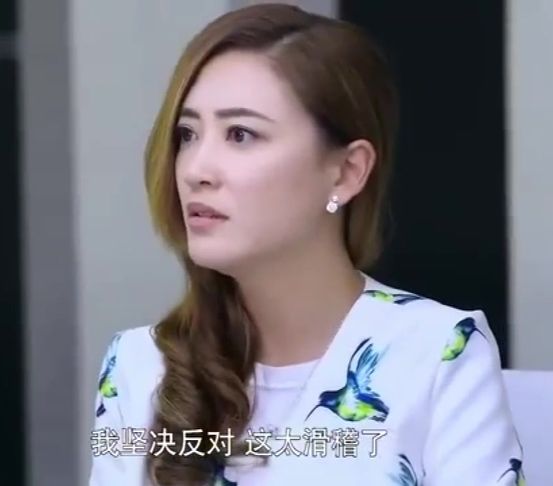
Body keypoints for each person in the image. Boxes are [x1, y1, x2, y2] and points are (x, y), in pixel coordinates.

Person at [89, 4, 524, 485]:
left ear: (347, 172)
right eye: (187, 134)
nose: (195, 170)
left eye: (241, 134)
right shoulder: (141, 364)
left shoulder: (438, 352)